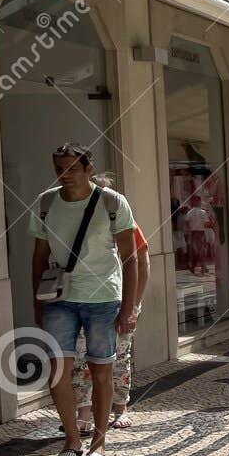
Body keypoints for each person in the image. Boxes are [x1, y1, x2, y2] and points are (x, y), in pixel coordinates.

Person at [31, 147, 139, 456]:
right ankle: (72, 440)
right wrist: (37, 303)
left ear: (88, 168)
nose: (65, 175)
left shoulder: (112, 202)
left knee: (101, 370)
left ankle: (99, 442)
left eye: (71, 168)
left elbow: (131, 258)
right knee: (57, 373)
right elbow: (38, 257)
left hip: (103, 298)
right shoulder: (47, 203)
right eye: (59, 168)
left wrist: (129, 307)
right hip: (59, 298)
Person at [64, 173, 149, 439]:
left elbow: (143, 262)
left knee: (118, 356)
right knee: (80, 357)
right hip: (80, 299)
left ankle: (120, 408)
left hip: (116, 301)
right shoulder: (71, 221)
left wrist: (133, 305)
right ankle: (84, 413)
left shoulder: (125, 222)